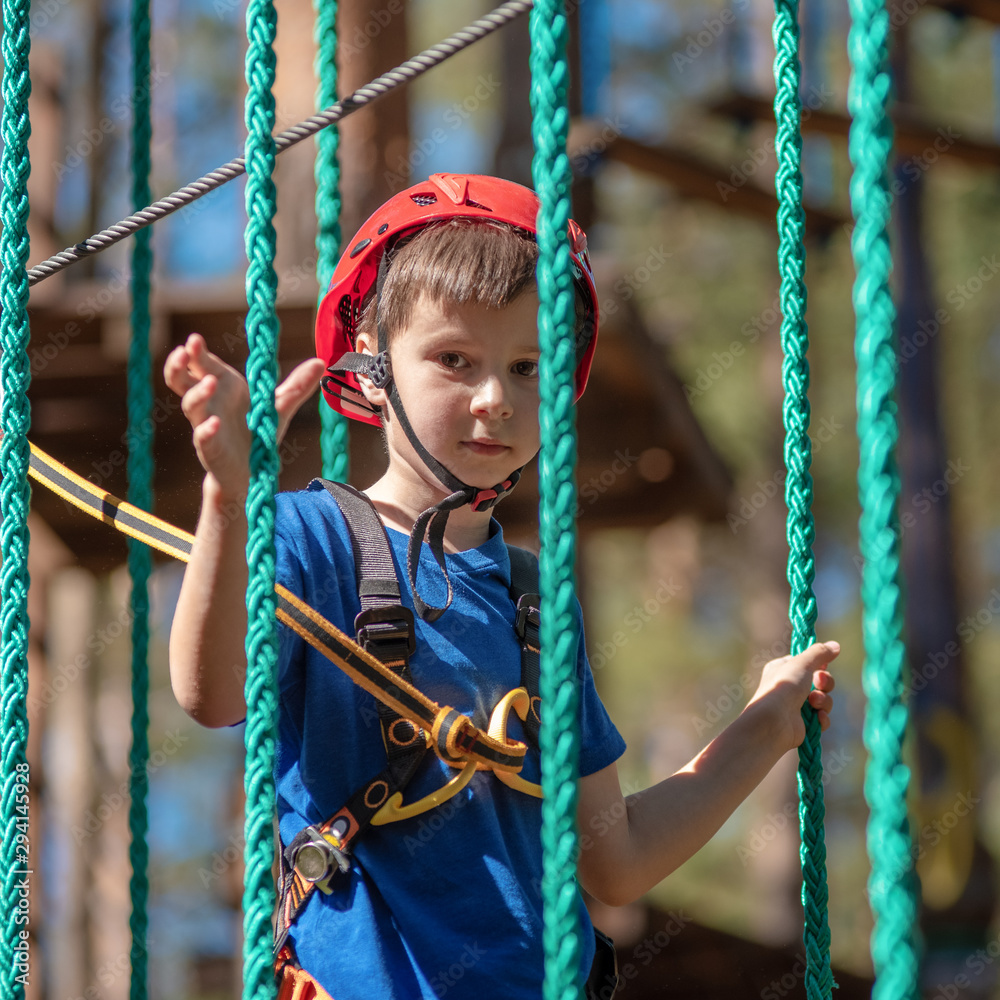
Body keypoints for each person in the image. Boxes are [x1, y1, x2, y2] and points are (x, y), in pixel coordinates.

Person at [165, 173, 837, 1000]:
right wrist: (227, 502)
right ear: (372, 368)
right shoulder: (310, 538)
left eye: (527, 368)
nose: (495, 399)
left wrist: (765, 728)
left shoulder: (534, 605)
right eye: (455, 360)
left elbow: (616, 859)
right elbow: (212, 692)